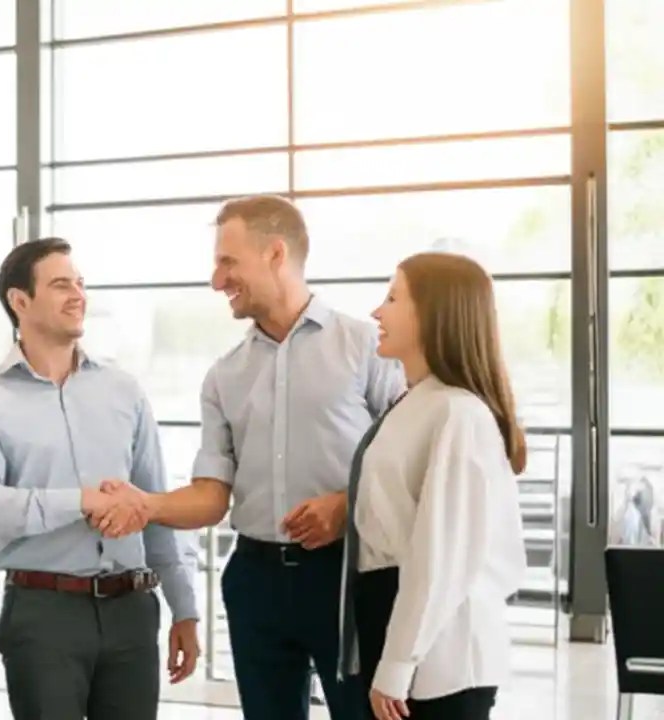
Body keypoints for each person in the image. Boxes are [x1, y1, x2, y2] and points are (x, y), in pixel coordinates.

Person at [93, 195, 406, 720]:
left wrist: (346, 505)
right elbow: (212, 497)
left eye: (227, 262)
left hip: (347, 575)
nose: (217, 280)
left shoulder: (365, 347)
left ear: (276, 254)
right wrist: (146, 504)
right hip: (255, 581)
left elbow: (412, 461)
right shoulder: (224, 375)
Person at [0, 237, 200, 720]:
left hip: (132, 611)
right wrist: (81, 501)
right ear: (19, 301)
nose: (78, 294)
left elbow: (155, 505)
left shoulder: (124, 390)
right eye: (61, 284)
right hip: (43, 615)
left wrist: (183, 608)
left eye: (80, 284)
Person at [347, 251, 528, 720]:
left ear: (433, 313)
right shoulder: (416, 403)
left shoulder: (457, 412)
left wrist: (397, 663)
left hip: (440, 654)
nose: (376, 312)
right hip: (395, 619)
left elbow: (441, 556)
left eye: (392, 298)